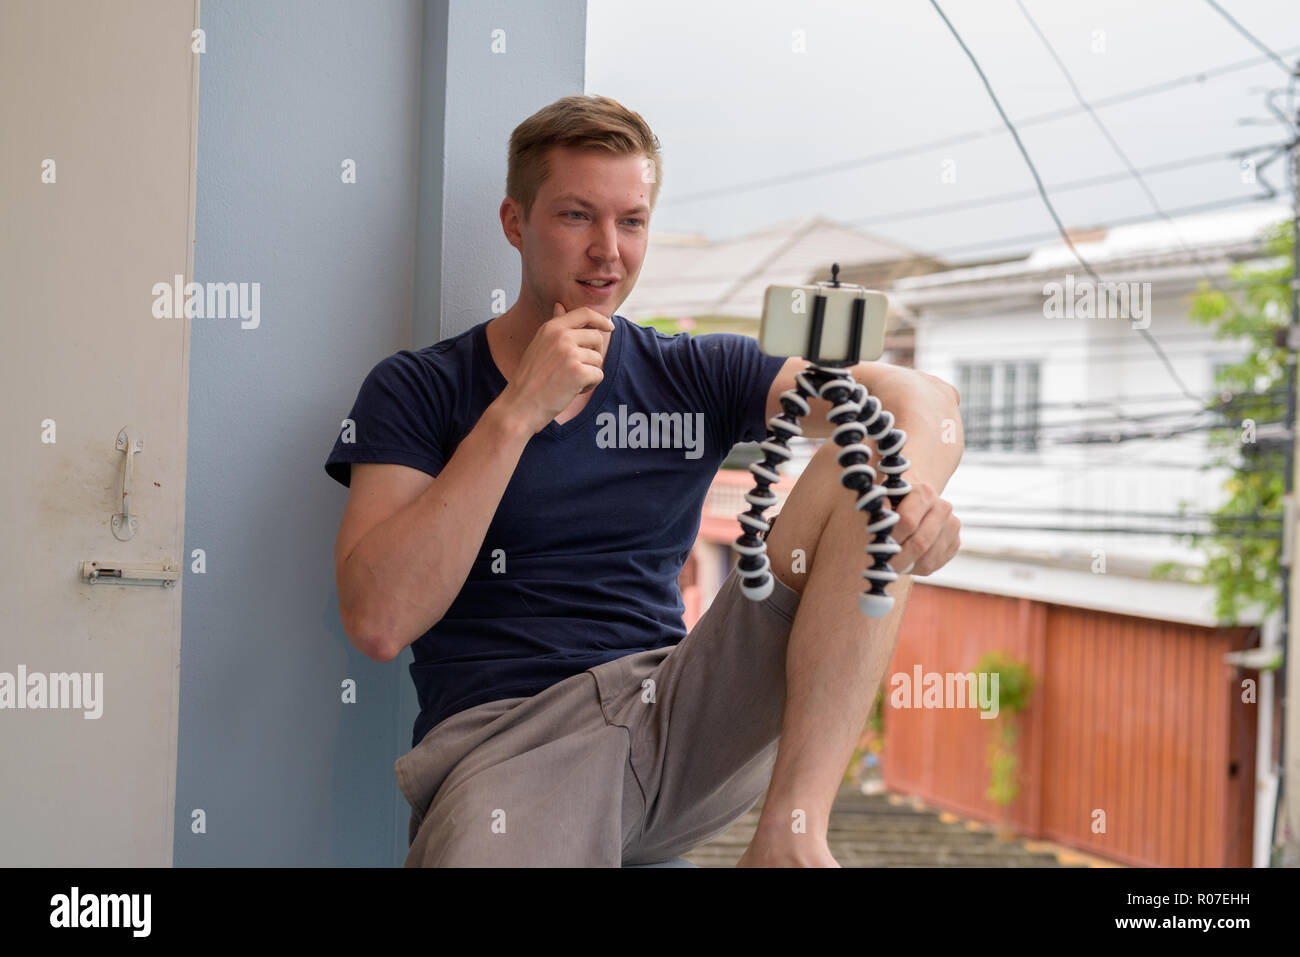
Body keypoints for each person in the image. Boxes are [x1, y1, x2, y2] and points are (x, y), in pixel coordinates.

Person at [325, 94, 964, 867]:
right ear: (514, 222)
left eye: (631, 221)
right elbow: (379, 620)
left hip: (676, 713)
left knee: (865, 454)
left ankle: (790, 836)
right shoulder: (416, 389)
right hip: (510, 746)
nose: (608, 251)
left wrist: (912, 499)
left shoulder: (692, 372)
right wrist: (517, 412)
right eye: (575, 217)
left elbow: (924, 400)